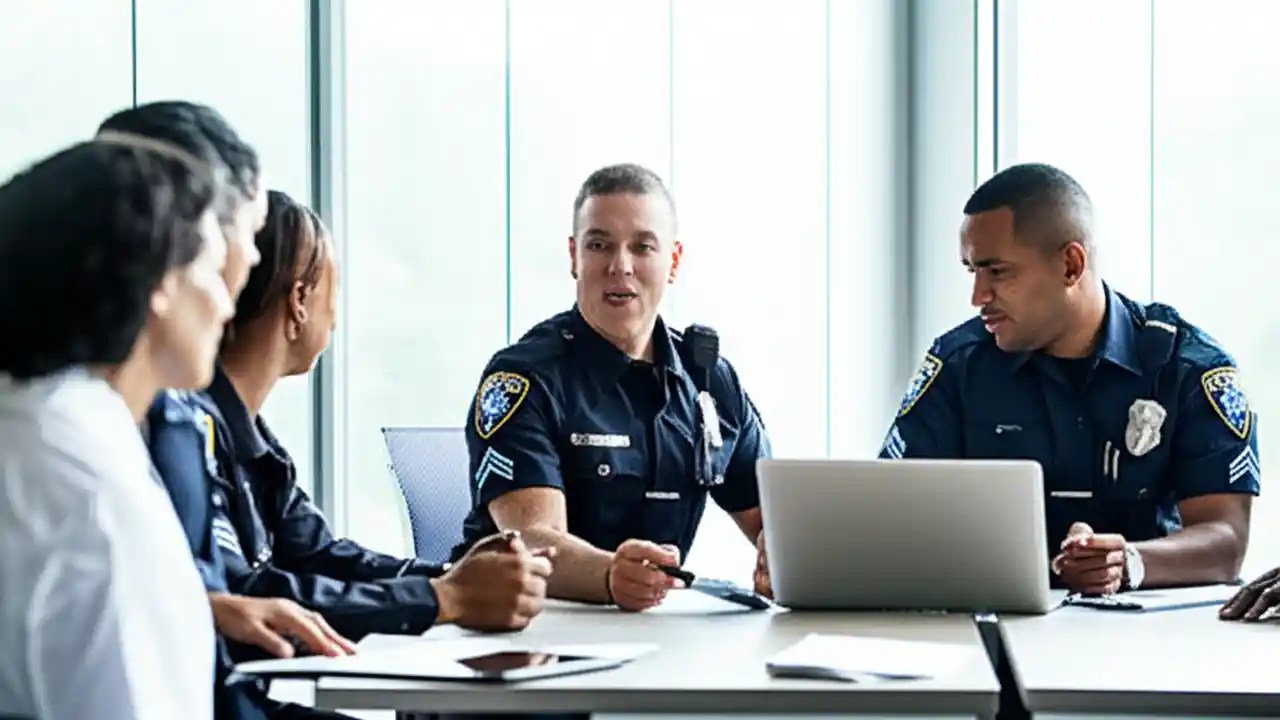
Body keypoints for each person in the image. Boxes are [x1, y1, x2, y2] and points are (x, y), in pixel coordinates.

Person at [876, 163, 1258, 596]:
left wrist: (1129, 562)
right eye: (972, 272)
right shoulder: (958, 365)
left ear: (1071, 265)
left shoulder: (1187, 368)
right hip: (990, 628)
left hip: (1145, 640)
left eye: (997, 272)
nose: (978, 296)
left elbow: (1226, 539)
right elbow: (892, 514)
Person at [206, 189, 553, 642]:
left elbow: (318, 556)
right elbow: (243, 595)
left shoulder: (252, 435)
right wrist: (442, 597)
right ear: (299, 299)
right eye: (336, 284)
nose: (337, 311)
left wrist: (455, 576)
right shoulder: (191, 433)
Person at [104, 102, 356, 720]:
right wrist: (438, 598)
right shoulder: (127, 433)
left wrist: (439, 589)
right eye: (224, 244)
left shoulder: (176, 425)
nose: (230, 288)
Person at [451, 163, 772, 611]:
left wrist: (781, 558)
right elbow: (532, 540)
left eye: (642, 247)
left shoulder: (709, 380)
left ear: (673, 261)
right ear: (574, 256)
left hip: (658, 632)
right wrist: (609, 574)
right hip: (534, 629)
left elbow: (773, 524)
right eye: (599, 245)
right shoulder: (524, 377)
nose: (620, 267)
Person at [0, 138, 228, 719]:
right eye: (208, 267)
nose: (226, 301)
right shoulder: (96, 497)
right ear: (159, 284)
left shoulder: (31, 430)